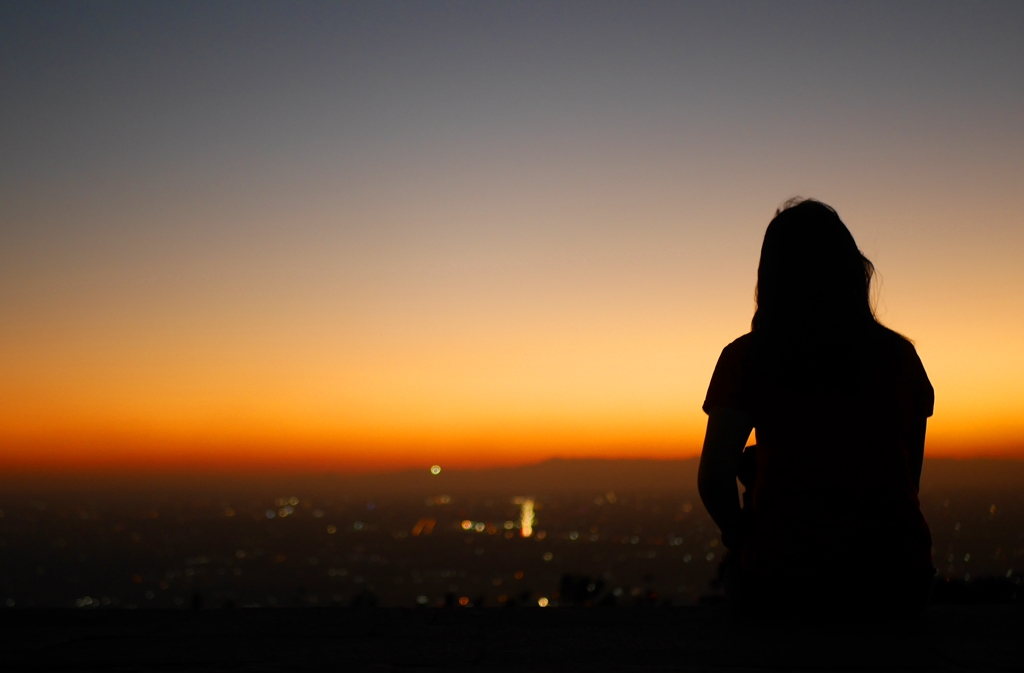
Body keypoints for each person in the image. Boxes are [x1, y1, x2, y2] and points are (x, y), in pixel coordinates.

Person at [698, 199, 935, 619]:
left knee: (732, 578)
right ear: (851, 272)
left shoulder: (748, 358)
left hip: (788, 581)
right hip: (899, 580)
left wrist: (743, 538)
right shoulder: (901, 360)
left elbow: (715, 478)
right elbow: (905, 479)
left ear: (769, 280)